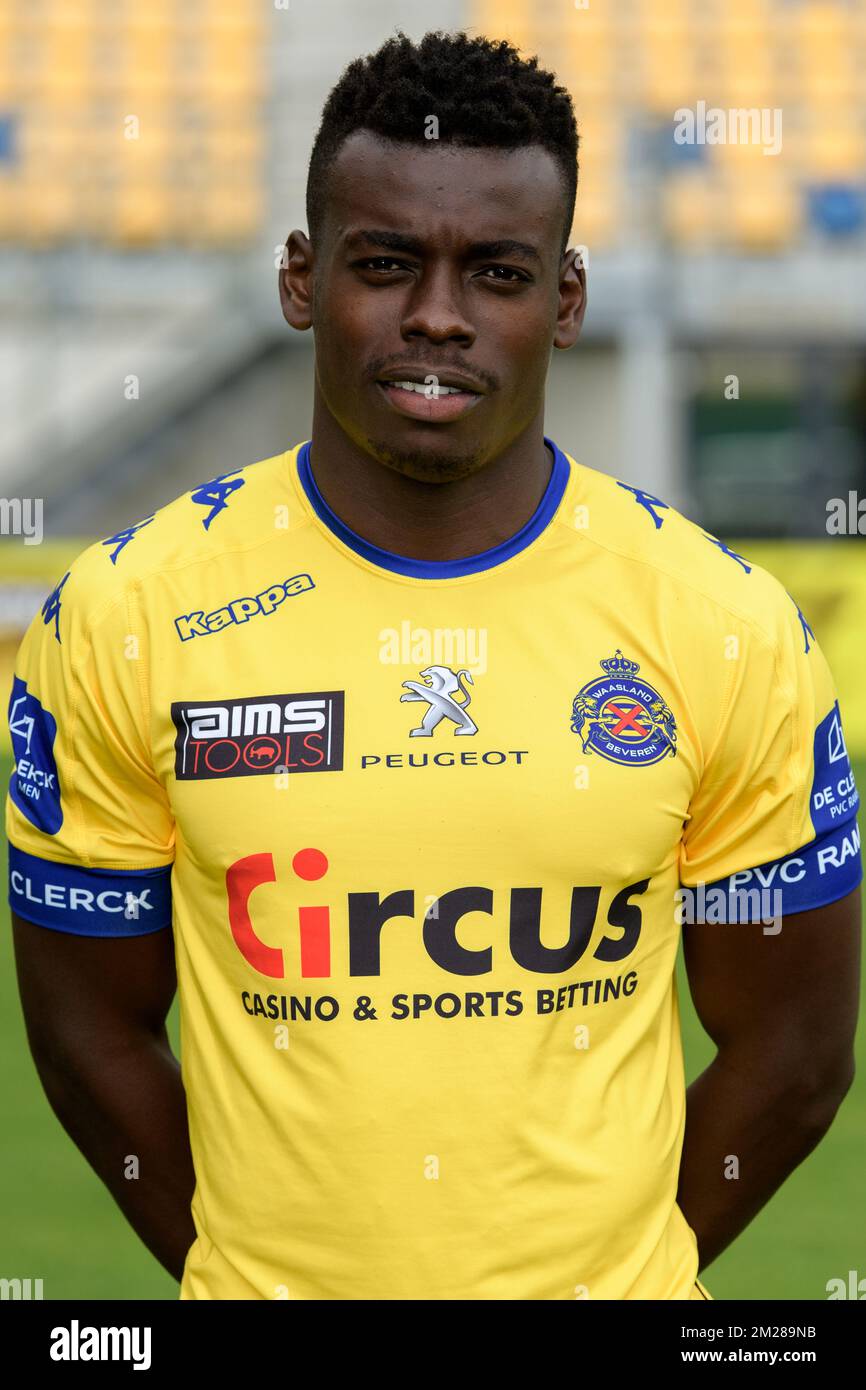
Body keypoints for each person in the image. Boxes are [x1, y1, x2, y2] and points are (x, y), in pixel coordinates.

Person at [7, 30, 861, 1301]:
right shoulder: (128, 614)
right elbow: (84, 1031)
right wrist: (248, 1271)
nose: (437, 315)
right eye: (387, 263)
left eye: (497, 272)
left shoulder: (717, 622)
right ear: (303, 279)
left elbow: (794, 1049)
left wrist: (622, 1274)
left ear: (564, 301)